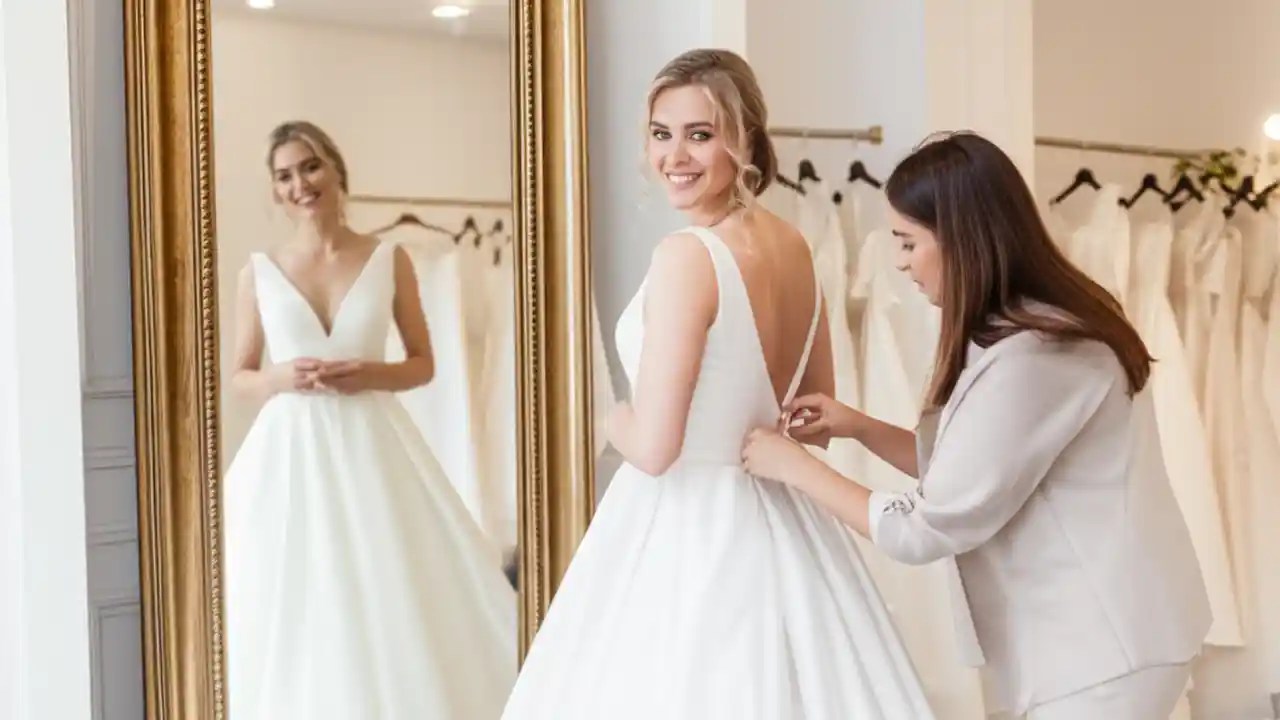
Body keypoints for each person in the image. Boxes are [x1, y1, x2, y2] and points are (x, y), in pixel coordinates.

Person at [500, 49, 933, 720]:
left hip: (687, 533)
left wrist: (607, 416)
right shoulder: (795, 248)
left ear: (746, 142)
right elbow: (806, 423)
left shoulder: (686, 257)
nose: (675, 155)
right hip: (787, 528)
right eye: (660, 132)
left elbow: (653, 450)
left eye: (700, 134)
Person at [742, 131, 1213, 719]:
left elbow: (930, 524)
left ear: (961, 239)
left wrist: (795, 468)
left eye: (908, 241)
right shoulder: (1019, 333)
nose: (899, 260)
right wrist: (858, 427)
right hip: (1092, 636)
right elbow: (968, 471)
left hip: (1104, 647)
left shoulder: (1040, 354)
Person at [222, 120, 516, 719]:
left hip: (372, 445)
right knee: (288, 587)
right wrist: (283, 379)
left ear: (335, 169)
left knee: (387, 584)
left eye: (309, 167)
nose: (300, 183)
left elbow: (423, 364)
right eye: (285, 176)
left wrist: (369, 375)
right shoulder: (258, 271)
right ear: (275, 191)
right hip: (289, 452)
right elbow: (240, 376)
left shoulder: (389, 258)